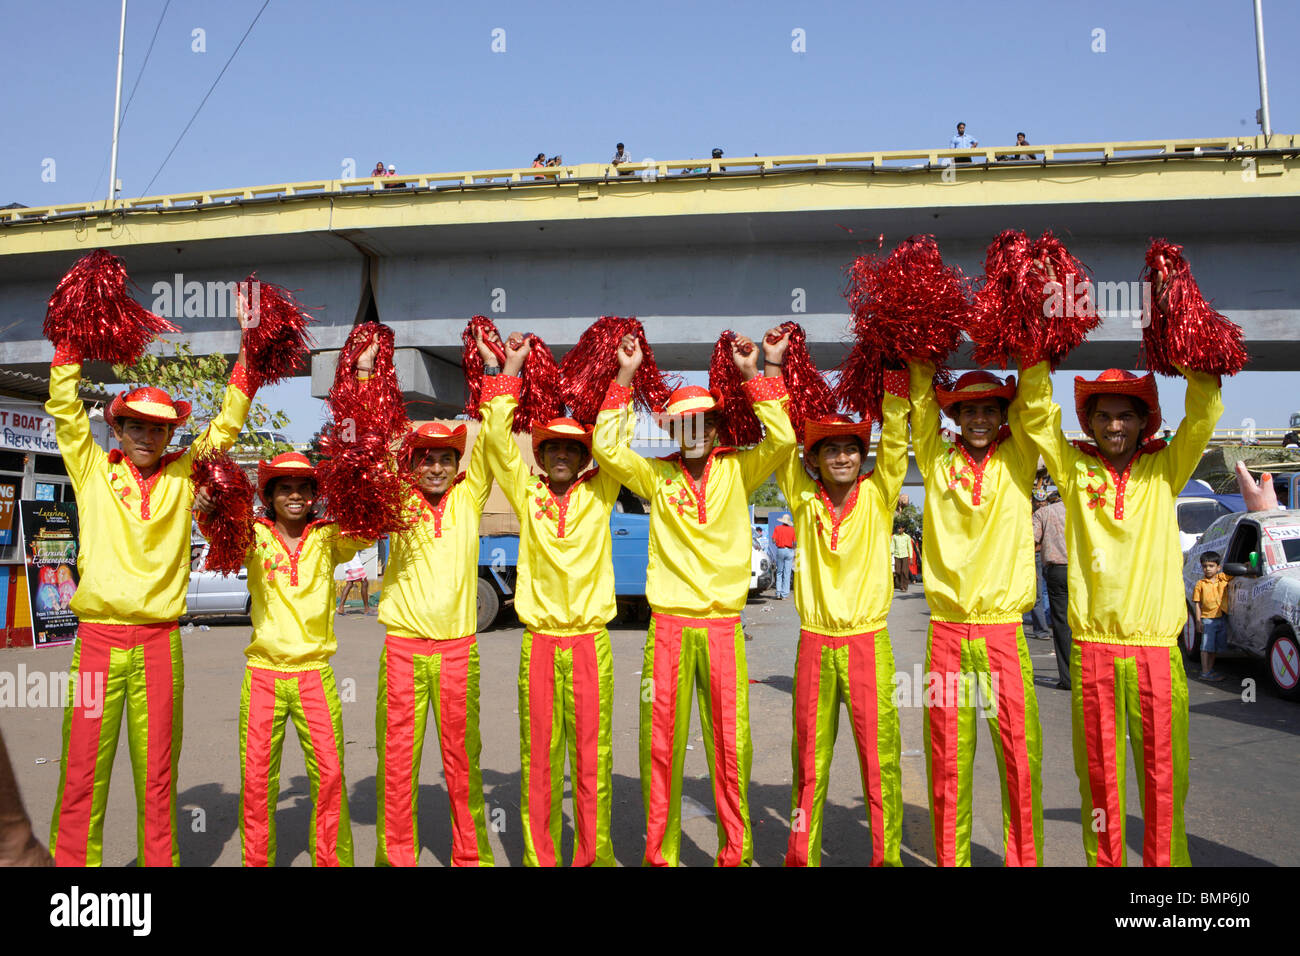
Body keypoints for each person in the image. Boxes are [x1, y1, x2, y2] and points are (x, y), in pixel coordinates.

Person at [46, 303, 257, 867]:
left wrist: (249, 346)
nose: (146, 435)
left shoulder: (185, 475)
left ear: (170, 434)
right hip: (96, 645)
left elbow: (228, 425)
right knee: (82, 772)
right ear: (116, 426)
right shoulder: (92, 468)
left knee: (159, 776)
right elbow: (65, 408)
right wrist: (70, 337)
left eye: (158, 428)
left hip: (160, 645)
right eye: (135, 424)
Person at [592, 328, 794, 866]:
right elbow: (606, 448)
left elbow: (783, 443)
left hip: (724, 630)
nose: (695, 431)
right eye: (684, 424)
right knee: (660, 747)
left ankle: (737, 851)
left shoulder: (739, 469)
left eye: (703, 420)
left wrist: (755, 377)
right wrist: (625, 376)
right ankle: (660, 854)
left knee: (731, 748)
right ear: (674, 432)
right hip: (670, 632)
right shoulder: (655, 476)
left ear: (716, 426)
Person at [1018, 340, 1223, 867]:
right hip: (1093, 652)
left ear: (1143, 421)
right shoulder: (1072, 469)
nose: (1114, 426)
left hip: (1156, 651)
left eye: (1125, 416)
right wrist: (1033, 342)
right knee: (1100, 787)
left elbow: (1204, 411)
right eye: (1103, 416)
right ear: (1088, 423)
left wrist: (1182, 337)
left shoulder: (1168, 468)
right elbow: (1038, 413)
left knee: (1163, 784)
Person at [476, 329, 621, 867]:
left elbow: (614, 445)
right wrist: (507, 372)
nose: (562, 454)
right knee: (538, 760)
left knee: (591, 759)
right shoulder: (528, 491)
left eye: (571, 448)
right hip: (540, 646)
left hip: (589, 644)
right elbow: (494, 444)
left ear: (584, 456)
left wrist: (622, 378)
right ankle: (540, 858)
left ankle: (593, 856)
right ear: (541, 453)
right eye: (552, 446)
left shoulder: (600, 490)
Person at [198, 449, 372, 866]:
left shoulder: (328, 537)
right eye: (285, 488)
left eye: (303, 488)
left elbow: (367, 531)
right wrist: (205, 512)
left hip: (315, 674)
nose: (294, 496)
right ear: (270, 495)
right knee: (257, 784)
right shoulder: (253, 535)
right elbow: (220, 539)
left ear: (314, 495)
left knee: (330, 779)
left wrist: (364, 473)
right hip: (263, 676)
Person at [909, 363, 1045, 867]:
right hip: (945, 632)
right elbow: (920, 412)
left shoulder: (1020, 455)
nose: (981, 419)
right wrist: (918, 354)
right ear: (957, 416)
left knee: (1019, 756)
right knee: (946, 758)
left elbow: (1035, 405)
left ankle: (1023, 860)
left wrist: (1032, 352)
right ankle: (951, 859)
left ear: (1003, 415)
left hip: (1003, 631)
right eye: (970, 410)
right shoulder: (934, 457)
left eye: (990, 409)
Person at [776, 369, 909, 867]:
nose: (841, 457)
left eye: (850, 448)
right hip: (814, 642)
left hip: (867, 643)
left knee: (881, 763)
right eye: (829, 449)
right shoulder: (802, 496)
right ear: (812, 459)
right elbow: (779, 439)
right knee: (809, 763)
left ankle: (886, 858)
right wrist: (770, 372)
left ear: (863, 455)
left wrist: (895, 363)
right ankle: (800, 856)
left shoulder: (880, 495)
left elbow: (896, 440)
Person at [374, 416, 495, 866]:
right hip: (404, 649)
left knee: (464, 763)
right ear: (411, 464)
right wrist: (366, 376)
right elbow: (369, 447)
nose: (438, 468)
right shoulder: (396, 497)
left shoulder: (470, 495)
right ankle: (397, 858)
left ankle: (471, 857)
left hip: (458, 651)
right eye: (427, 459)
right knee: (399, 763)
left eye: (446, 459)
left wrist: (496, 373)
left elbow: (492, 442)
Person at [1033, 484, 1070, 688]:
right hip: (1085, 571)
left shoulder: (1043, 514)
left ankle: (1068, 678)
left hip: (1057, 571)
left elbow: (1031, 539)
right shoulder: (1084, 508)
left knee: (1062, 624)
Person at [1192, 551, 1231, 682]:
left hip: (1221, 618)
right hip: (1207, 619)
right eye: (1204, 566)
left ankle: (1209, 669)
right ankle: (1204, 672)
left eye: (1211, 565)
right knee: (1205, 647)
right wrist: (1198, 621)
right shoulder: (1200, 584)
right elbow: (1197, 604)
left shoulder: (1223, 578)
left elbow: (1239, 572)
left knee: (1214, 647)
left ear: (1218, 567)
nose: (1207, 569)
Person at [771, 514, 795, 599]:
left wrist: (777, 539)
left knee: (779, 572)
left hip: (780, 550)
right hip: (789, 551)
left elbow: (773, 540)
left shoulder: (777, 528)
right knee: (787, 573)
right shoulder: (792, 530)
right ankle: (784, 595)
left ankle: (778, 593)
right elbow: (794, 543)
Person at [891, 523, 911, 591]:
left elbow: (909, 547)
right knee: (898, 571)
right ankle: (900, 585)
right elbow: (892, 545)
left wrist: (911, 557)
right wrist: (891, 553)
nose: (899, 529)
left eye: (900, 528)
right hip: (897, 556)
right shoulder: (894, 536)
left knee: (904, 572)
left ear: (903, 529)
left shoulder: (907, 537)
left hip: (905, 556)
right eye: (898, 528)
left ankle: (904, 587)